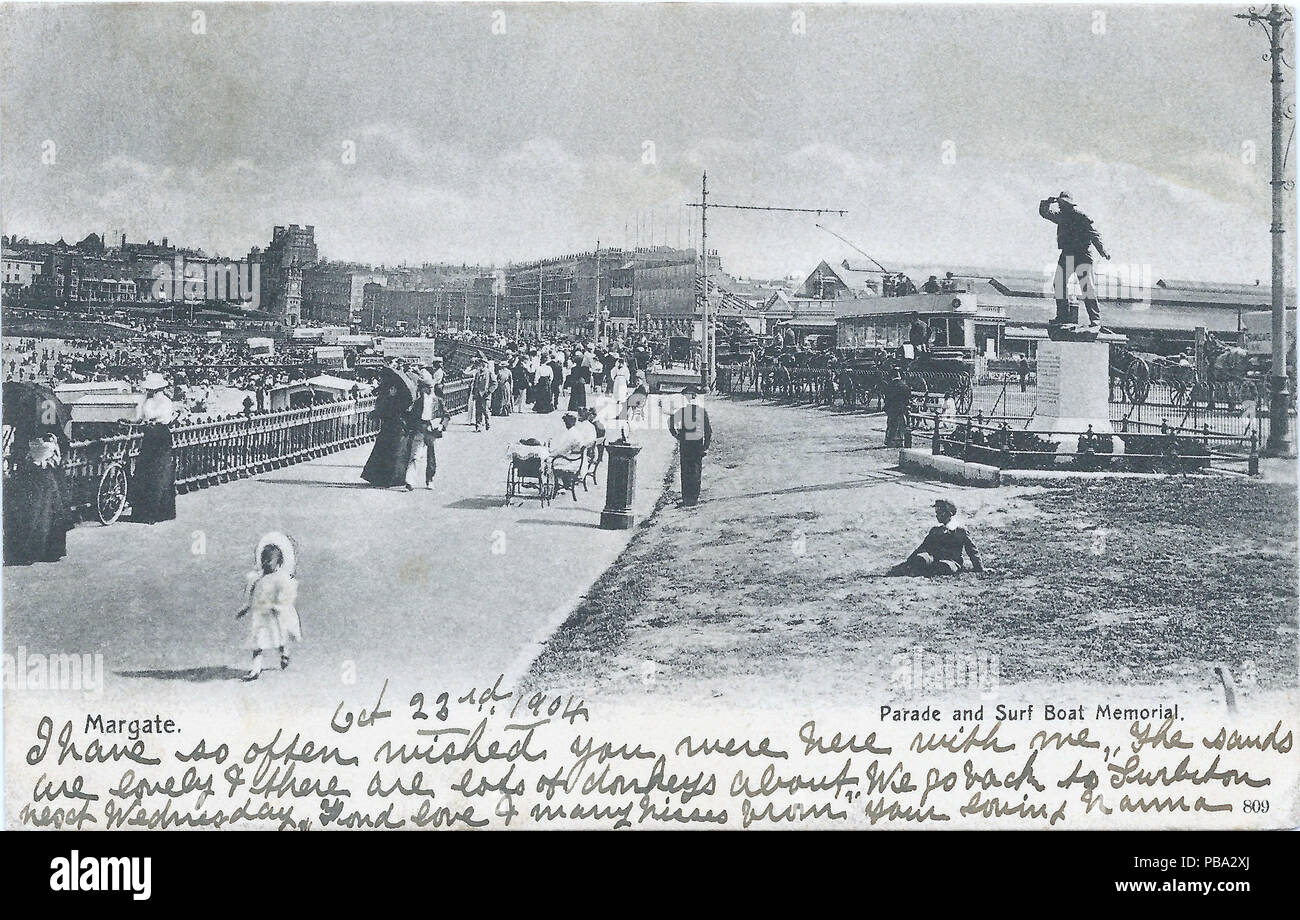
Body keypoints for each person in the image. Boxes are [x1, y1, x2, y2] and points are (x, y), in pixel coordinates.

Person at [1040, 191, 1110, 332]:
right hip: (1067, 254)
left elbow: (1094, 234)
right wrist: (1047, 202)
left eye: (1061, 203)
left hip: (1082, 255)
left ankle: (1095, 320)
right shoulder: (1061, 216)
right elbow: (1045, 213)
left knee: (1087, 287)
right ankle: (1062, 316)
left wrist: (1103, 251)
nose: (1059, 206)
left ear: (1068, 204)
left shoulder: (1081, 216)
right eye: (1058, 203)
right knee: (1059, 283)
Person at [235, 532, 302, 681]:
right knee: (257, 642)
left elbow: (287, 595)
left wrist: (278, 606)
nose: (266, 563)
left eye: (269, 561)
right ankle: (255, 670)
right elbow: (251, 594)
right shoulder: (257, 578)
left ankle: (285, 653)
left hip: (276, 616)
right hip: (261, 617)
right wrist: (246, 607)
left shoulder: (281, 579)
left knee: (279, 638)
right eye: (264, 559)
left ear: (278, 563)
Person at [2, 428, 72, 566]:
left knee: (36, 511)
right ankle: (46, 551)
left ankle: (30, 552)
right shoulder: (51, 422)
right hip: (42, 473)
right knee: (45, 511)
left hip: (35, 472)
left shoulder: (27, 424)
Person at [124, 372, 179, 523]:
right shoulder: (146, 401)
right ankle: (142, 513)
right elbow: (140, 418)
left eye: (154, 390)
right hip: (149, 437)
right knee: (144, 471)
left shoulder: (166, 402)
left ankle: (158, 512)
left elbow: (164, 418)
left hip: (161, 436)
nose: (152, 392)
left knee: (159, 473)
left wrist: (151, 421)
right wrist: (130, 421)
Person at [888, 499, 984, 577]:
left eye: (940, 512)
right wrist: (908, 562)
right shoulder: (935, 530)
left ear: (949, 513)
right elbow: (922, 547)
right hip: (934, 558)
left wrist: (979, 567)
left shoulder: (959, 530)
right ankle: (918, 569)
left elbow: (972, 550)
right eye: (936, 512)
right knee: (921, 558)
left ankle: (924, 570)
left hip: (951, 561)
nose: (936, 515)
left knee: (944, 566)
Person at [668, 386, 712, 507]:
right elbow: (708, 431)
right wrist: (705, 447)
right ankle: (693, 498)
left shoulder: (683, 411)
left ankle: (687, 498)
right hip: (697, 444)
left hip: (686, 444)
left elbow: (670, 423)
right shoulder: (702, 412)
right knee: (695, 470)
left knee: (686, 470)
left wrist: (677, 436)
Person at [404, 377, 448, 490]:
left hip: (432, 431)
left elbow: (446, 416)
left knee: (431, 457)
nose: (430, 390)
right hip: (420, 430)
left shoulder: (438, 401)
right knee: (414, 456)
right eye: (427, 388)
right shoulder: (418, 403)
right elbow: (412, 417)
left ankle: (430, 479)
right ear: (422, 389)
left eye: (431, 388)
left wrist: (441, 425)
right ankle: (410, 481)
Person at [883, 371, 912, 448]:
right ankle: (900, 441)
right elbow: (908, 398)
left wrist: (886, 408)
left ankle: (890, 440)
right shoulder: (905, 386)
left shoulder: (889, 386)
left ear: (892, 377)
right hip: (902, 408)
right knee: (901, 424)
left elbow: (887, 399)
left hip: (892, 408)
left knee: (891, 424)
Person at [469, 355, 494, 431]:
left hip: (485, 394)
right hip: (478, 394)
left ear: (485, 364)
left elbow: (494, 383)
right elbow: (475, 384)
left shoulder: (489, 372)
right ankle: (478, 426)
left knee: (485, 410)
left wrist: (489, 391)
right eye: (480, 363)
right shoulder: (477, 373)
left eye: (482, 363)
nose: (480, 365)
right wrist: (474, 393)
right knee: (478, 411)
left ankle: (487, 423)